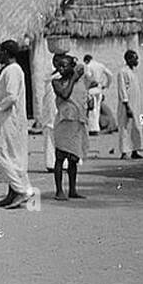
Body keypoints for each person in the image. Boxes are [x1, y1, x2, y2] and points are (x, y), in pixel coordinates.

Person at [0, 40, 35, 209]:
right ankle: (12, 193)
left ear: (5, 52)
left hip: (9, 119)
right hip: (5, 118)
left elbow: (12, 96)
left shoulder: (12, 70)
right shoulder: (11, 70)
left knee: (4, 155)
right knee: (10, 154)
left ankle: (21, 191)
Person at [51, 54, 91, 201]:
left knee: (73, 158)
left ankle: (73, 189)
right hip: (63, 124)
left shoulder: (80, 83)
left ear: (71, 67)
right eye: (59, 66)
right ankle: (59, 191)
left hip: (76, 123)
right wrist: (73, 78)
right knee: (60, 157)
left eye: (64, 65)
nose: (60, 69)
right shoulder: (57, 83)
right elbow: (65, 95)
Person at [115, 50, 143, 159]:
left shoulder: (134, 72)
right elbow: (122, 90)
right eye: (135, 58)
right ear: (129, 59)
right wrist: (127, 106)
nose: (137, 61)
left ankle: (136, 149)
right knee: (126, 128)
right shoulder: (122, 72)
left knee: (139, 125)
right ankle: (125, 152)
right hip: (127, 107)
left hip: (138, 107)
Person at [82, 53, 113, 135]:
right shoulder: (100, 65)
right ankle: (96, 128)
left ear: (86, 60)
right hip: (99, 89)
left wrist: (91, 82)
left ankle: (92, 129)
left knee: (91, 109)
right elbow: (110, 75)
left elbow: (88, 76)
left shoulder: (88, 66)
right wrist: (106, 85)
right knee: (97, 109)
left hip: (91, 89)